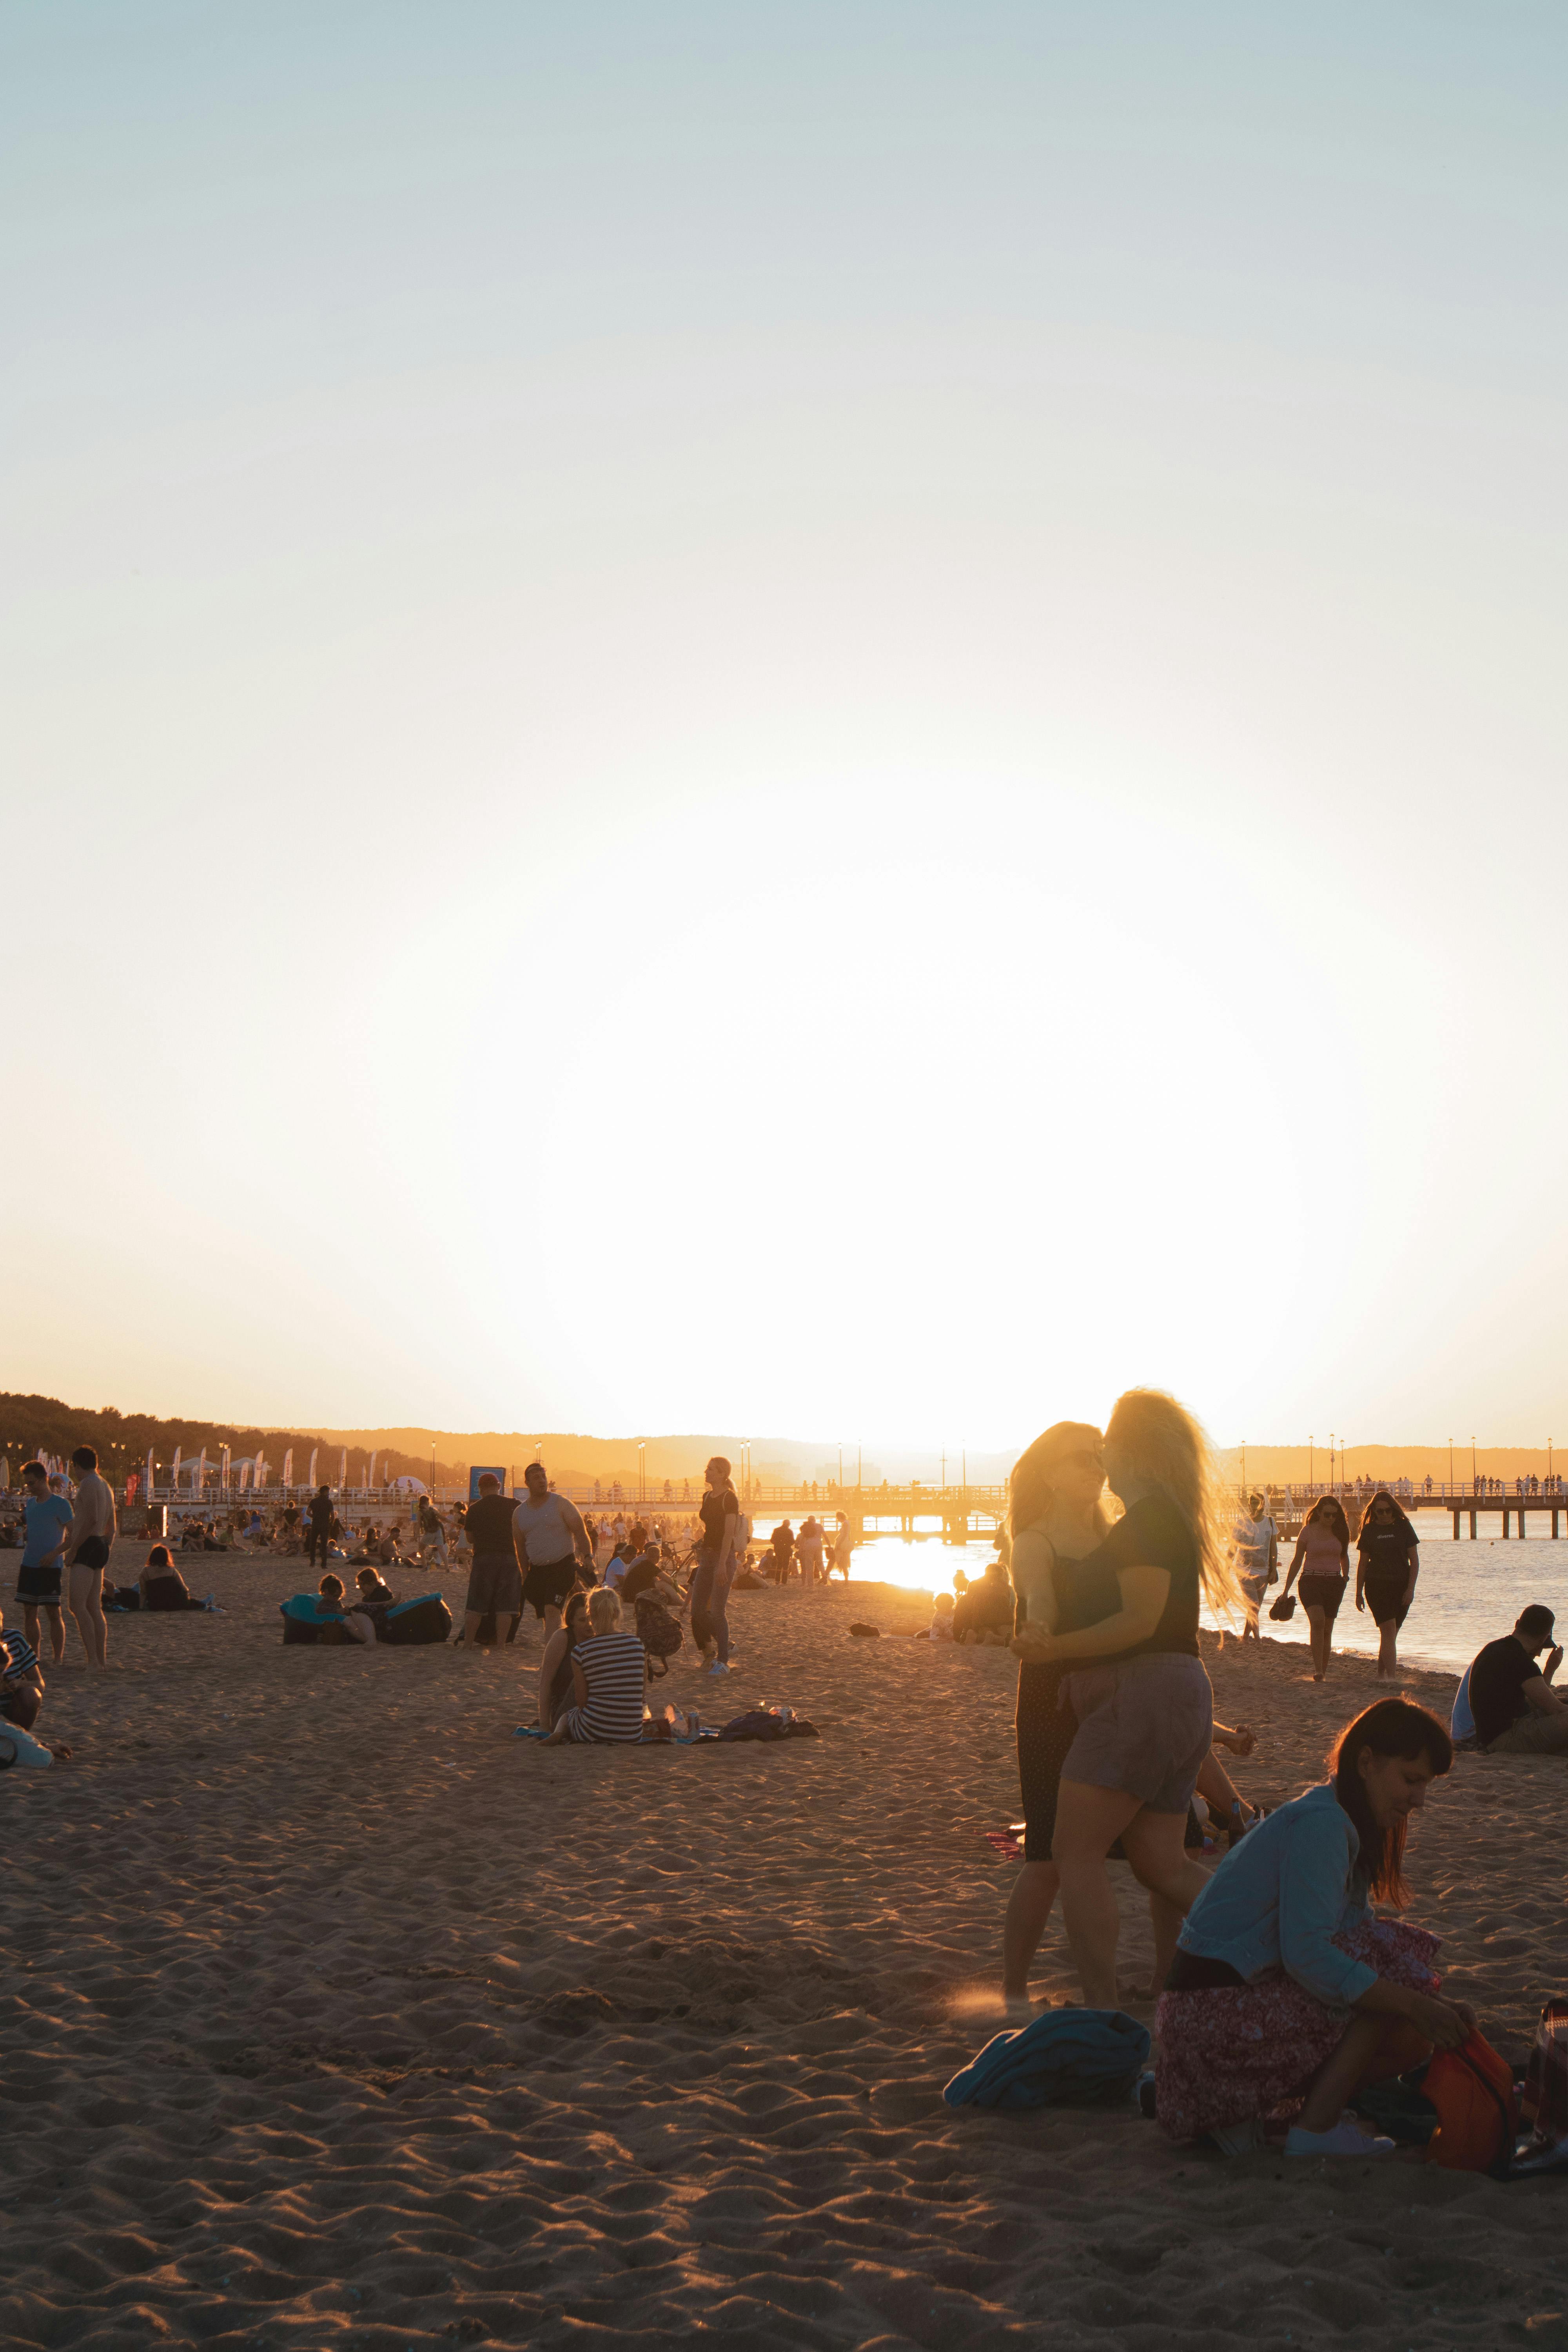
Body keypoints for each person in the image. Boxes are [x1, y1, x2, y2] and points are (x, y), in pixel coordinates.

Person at [1156, 1700, 1472, 2156]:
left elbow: (1347, 1932)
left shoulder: (1337, 1816)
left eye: (1425, 1785)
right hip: (1210, 2023)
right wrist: (1411, 2000)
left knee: (1403, 2011)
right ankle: (1315, 2129)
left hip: (1209, 2015)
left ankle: (1263, 2117)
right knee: (1385, 1973)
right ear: (1366, 1762)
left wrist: (1434, 2006)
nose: (1419, 1799)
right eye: (1410, 1780)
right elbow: (1307, 1953)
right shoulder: (1321, 1825)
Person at [1018, 1389, 1241, 2009]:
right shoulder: (1154, 1518)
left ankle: (1102, 2008)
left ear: (1134, 1451)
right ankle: (1264, 1942)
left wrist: (1055, 1649)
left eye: (1106, 1445)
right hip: (1178, 1693)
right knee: (1161, 1863)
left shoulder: (1149, 1522)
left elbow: (1140, 1623)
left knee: (1075, 1852)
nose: (1101, 1456)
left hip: (1143, 1693)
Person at [1003, 1421, 1118, 2009]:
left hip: (1115, 1699)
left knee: (1161, 1852)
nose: (1096, 1467)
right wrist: (1039, 1630)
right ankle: (1013, 1990)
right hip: (1052, 1700)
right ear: (1049, 1472)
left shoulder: (1116, 1537)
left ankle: (1160, 1984)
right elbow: (1040, 1599)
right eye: (1081, 1458)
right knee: (1048, 1856)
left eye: (1100, 1456)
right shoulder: (1034, 1540)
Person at [546, 1588, 648, 1742]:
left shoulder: (581, 1651)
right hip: (632, 1733)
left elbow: (581, 1701)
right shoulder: (638, 1645)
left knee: (567, 1716)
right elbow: (642, 1693)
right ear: (617, 1614)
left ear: (590, 1616)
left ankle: (559, 1733)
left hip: (592, 1732)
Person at [1466, 1605, 1568, 1754]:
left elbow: (1539, 1701)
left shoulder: (1494, 1648)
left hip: (1494, 1734)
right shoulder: (1521, 1661)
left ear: (1517, 1623)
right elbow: (1555, 1709)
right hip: (1504, 1739)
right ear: (1545, 1637)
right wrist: (1551, 1670)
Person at [513, 1463, 594, 1636]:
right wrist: (525, 1574)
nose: (542, 1481)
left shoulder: (561, 1504)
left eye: (544, 1476)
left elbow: (580, 1532)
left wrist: (588, 1557)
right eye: (536, 1478)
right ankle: (565, 1641)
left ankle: (551, 1651)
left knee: (551, 1609)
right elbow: (520, 1547)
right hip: (537, 1570)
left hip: (563, 1566)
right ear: (527, 1483)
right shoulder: (519, 1513)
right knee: (547, 1613)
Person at [1278, 1496, 1352, 1682]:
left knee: (1328, 1629)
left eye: (1335, 1515)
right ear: (1319, 1513)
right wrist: (1286, 1590)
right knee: (1318, 1622)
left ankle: (1323, 1671)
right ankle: (1318, 1670)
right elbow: (1297, 1561)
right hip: (1310, 1581)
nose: (1331, 1518)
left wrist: (1345, 1578)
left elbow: (1344, 1557)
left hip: (1334, 1583)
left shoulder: (1341, 1532)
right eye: (1327, 1515)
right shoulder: (1307, 1532)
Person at [1355, 1490, 1420, 1681]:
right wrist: (1358, 1593)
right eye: (1380, 1511)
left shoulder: (1404, 1527)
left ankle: (1380, 1674)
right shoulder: (1369, 1531)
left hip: (1401, 1587)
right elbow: (1363, 1564)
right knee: (1389, 1630)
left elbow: (1415, 1561)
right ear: (1374, 1512)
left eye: (1388, 1511)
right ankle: (1392, 1678)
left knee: (1391, 1634)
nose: (1384, 1515)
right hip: (1377, 1587)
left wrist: (1411, 1589)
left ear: (1394, 1510)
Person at [64, 1445, 116, 1670]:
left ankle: (94, 1661)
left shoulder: (88, 1484)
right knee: (94, 1607)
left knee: (77, 1605)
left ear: (77, 1465)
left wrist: (74, 1549)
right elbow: (112, 1525)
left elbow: (92, 1519)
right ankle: (100, 1661)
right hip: (101, 1544)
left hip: (88, 1545)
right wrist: (106, 1547)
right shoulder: (106, 1485)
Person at [0, 1603, 72, 1763]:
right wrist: (43, 1745)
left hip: (10, 1715)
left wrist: (18, 1684)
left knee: (31, 1695)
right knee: (42, 1758)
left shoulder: (14, 1639)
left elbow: (40, 1684)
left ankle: (24, 1744)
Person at [17, 1460, 72, 1666]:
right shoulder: (31, 1504)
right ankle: (35, 1657)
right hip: (29, 1564)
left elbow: (74, 1535)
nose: (29, 1487)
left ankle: (58, 1659)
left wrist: (55, 1554)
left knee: (53, 1612)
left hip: (51, 1566)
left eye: (32, 1483)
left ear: (44, 1479)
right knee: (29, 1612)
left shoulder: (61, 1505)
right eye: (27, 1484)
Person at [461, 1474, 524, 1651]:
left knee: (476, 1604)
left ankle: (468, 1645)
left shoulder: (475, 1509)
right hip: (510, 1557)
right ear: (499, 1486)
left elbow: (470, 1538)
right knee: (506, 1605)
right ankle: (501, 1645)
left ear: (480, 1490)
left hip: (484, 1557)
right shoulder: (515, 1505)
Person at [690, 1456, 740, 1675]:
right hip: (707, 1556)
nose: (706, 1472)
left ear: (722, 1474)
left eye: (710, 1469)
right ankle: (725, 1642)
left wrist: (722, 1565)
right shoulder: (707, 1496)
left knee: (718, 1612)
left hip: (724, 1558)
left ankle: (723, 1662)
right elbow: (711, 1528)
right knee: (697, 1611)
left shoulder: (729, 1498)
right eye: (707, 1468)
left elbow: (729, 1534)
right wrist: (702, 1544)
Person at [537, 1589, 592, 1730]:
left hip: (591, 1707)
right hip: (563, 1709)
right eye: (582, 1620)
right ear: (572, 1620)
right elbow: (546, 1683)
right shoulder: (562, 1638)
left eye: (592, 1618)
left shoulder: (599, 1638)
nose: (589, 1624)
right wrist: (545, 1725)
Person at [1232, 1491, 1276, 1641]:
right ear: (1249, 1505)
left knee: (1255, 1608)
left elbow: (1274, 1548)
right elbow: (1233, 1548)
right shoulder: (1241, 1523)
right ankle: (1257, 1638)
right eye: (1254, 1503)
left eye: (1260, 1504)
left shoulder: (1270, 1522)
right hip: (1243, 1570)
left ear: (1264, 1506)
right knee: (1254, 1605)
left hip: (1264, 1571)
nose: (1257, 1507)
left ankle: (1245, 1637)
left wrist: (1274, 1570)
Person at [952, 1553, 1015, 1644]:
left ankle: (976, 1636)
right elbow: (1011, 1610)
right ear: (1001, 1575)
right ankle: (993, 1638)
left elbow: (969, 1606)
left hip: (976, 1624)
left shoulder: (972, 1584)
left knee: (986, 1632)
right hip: (997, 1622)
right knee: (1011, 1638)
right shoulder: (1004, 1587)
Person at [311, 1572, 376, 1645]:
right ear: (326, 1592)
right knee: (349, 1622)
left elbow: (341, 1611)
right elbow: (320, 1610)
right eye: (335, 1596)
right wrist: (337, 1611)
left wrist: (345, 1611)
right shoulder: (323, 1604)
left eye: (339, 1597)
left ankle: (369, 1639)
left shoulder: (337, 1602)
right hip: (335, 1627)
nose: (337, 1599)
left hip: (343, 1624)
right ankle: (367, 1640)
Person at [140, 1544, 207, 1610]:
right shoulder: (171, 1570)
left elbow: (144, 1592)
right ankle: (204, 1603)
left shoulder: (145, 1571)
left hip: (156, 1605)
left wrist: (141, 1608)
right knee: (195, 1603)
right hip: (174, 1604)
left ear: (152, 1557)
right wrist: (187, 1601)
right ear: (166, 1557)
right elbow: (185, 1589)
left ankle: (203, 1602)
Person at [306, 1485, 334, 1572]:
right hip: (325, 1525)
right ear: (325, 1492)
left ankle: (312, 1562)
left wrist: (314, 1517)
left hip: (316, 1524)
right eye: (328, 1492)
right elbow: (333, 1515)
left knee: (313, 1544)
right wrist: (331, 1524)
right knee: (324, 1545)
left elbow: (308, 1512)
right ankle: (324, 1564)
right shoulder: (329, 1502)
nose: (329, 1493)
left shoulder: (314, 1501)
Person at [796, 1515, 826, 1584]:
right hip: (819, 1546)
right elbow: (825, 1536)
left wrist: (800, 1550)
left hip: (809, 1547)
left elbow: (803, 1539)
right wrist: (829, 1545)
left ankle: (811, 1583)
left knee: (810, 1565)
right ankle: (824, 1575)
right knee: (820, 1563)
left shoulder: (806, 1527)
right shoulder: (819, 1526)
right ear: (815, 1520)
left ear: (808, 1520)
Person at [769, 1519, 795, 1586]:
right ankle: (784, 1581)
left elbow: (772, 1540)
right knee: (786, 1566)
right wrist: (786, 1544)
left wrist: (778, 1544)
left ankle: (777, 1580)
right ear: (788, 1524)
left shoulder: (777, 1530)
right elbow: (793, 1541)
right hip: (787, 1549)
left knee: (779, 1564)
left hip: (778, 1549)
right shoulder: (790, 1531)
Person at [831, 1512, 855, 1580]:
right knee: (845, 1560)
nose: (838, 1520)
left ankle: (846, 1578)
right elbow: (848, 1534)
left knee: (841, 1559)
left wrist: (839, 1544)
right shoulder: (847, 1522)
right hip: (846, 1542)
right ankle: (846, 1578)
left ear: (840, 1517)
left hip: (844, 1543)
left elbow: (845, 1535)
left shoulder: (845, 1523)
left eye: (838, 1518)